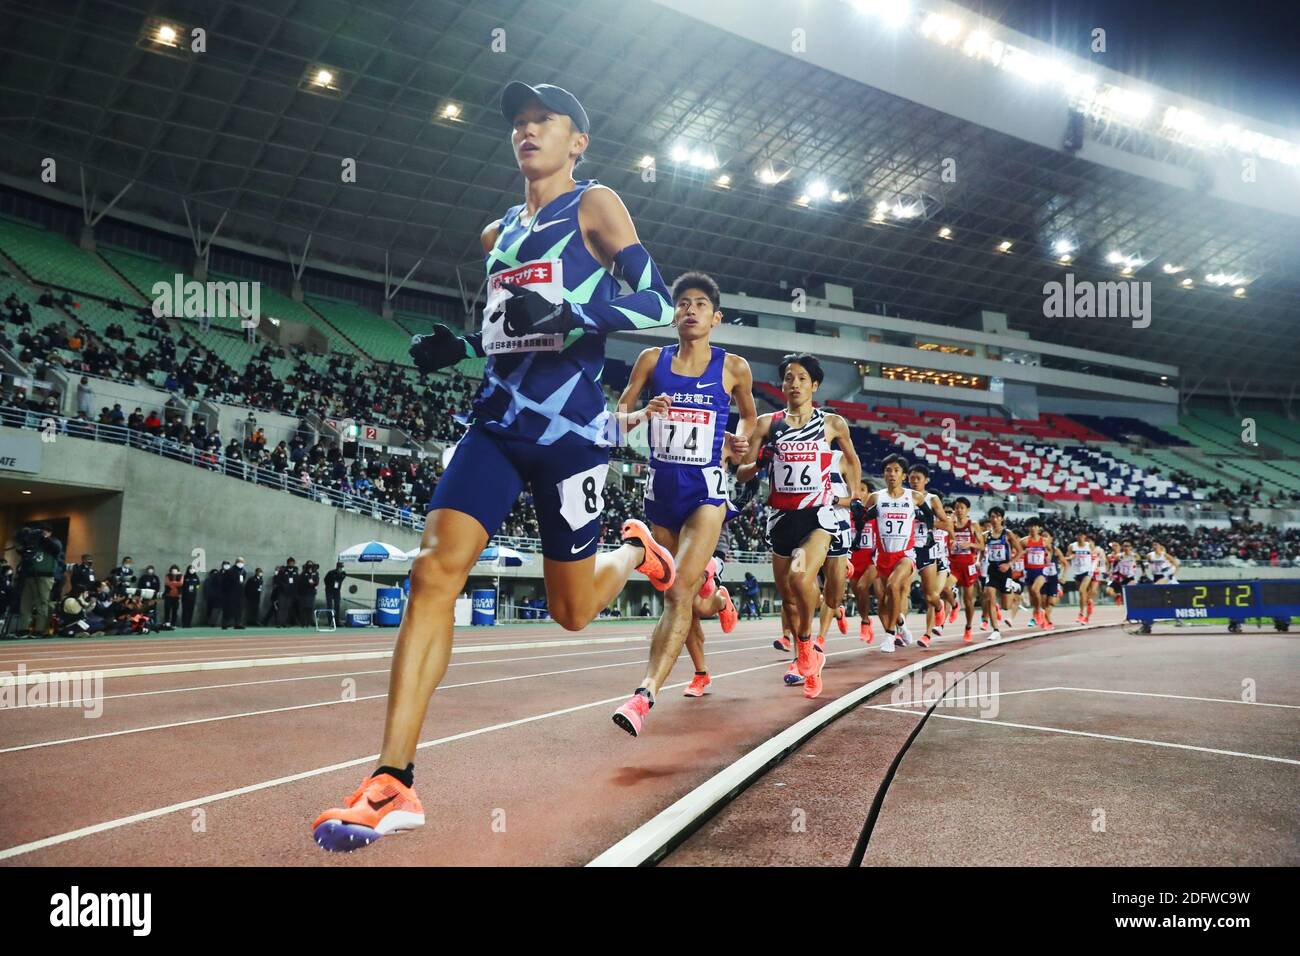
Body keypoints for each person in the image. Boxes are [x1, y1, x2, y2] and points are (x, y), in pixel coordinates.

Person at [314, 81, 679, 851]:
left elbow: (655, 306)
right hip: (494, 426)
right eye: (518, 122)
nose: (528, 130)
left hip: (573, 435)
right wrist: (462, 344)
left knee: (572, 611)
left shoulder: (596, 206)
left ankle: (634, 552)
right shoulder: (498, 234)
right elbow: (512, 325)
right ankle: (393, 780)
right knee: (433, 573)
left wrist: (577, 313)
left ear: (578, 141)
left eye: (545, 120)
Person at [609, 271, 755, 735]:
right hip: (660, 493)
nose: (689, 310)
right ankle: (717, 594)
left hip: (704, 494)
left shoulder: (733, 368)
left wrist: (742, 440)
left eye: (699, 304)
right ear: (674, 313)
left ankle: (644, 695)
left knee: (676, 593)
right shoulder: (652, 361)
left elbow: (750, 417)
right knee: (688, 595)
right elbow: (615, 424)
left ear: (716, 317)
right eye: (682, 303)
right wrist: (641, 413)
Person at [734, 353, 861, 695]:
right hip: (781, 519)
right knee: (789, 597)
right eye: (789, 377)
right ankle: (807, 662)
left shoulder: (832, 423)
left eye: (802, 378)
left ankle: (808, 646)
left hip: (818, 516)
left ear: (814, 385)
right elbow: (742, 470)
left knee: (800, 577)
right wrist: (759, 461)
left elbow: (851, 461)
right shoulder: (766, 424)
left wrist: (851, 495)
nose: (794, 383)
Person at [980, 507, 1022, 642]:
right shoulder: (986, 535)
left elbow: (1020, 551)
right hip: (992, 569)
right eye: (992, 517)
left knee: (1006, 606)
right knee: (988, 596)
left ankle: (1014, 588)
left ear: (1002, 519)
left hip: (1005, 571)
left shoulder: (1007, 534)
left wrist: (1009, 564)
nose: (995, 519)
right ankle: (995, 630)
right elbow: (981, 552)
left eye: (997, 517)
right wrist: (977, 561)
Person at [947, 497, 984, 642]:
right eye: (956, 507)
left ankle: (968, 627)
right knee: (944, 588)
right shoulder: (950, 524)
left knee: (968, 600)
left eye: (962, 507)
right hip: (953, 563)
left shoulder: (973, 524)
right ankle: (954, 605)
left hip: (968, 565)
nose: (959, 510)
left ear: (968, 510)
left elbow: (982, 546)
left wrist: (970, 545)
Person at [221, 558, 247, 629]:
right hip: (230, 593)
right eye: (239, 562)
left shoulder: (243, 571)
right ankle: (225, 623)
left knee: (239, 609)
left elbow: (242, 582)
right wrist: (227, 592)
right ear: (236, 562)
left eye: (242, 562)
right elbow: (225, 583)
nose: (241, 563)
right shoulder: (230, 571)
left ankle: (238, 623)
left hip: (240, 593)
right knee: (228, 609)